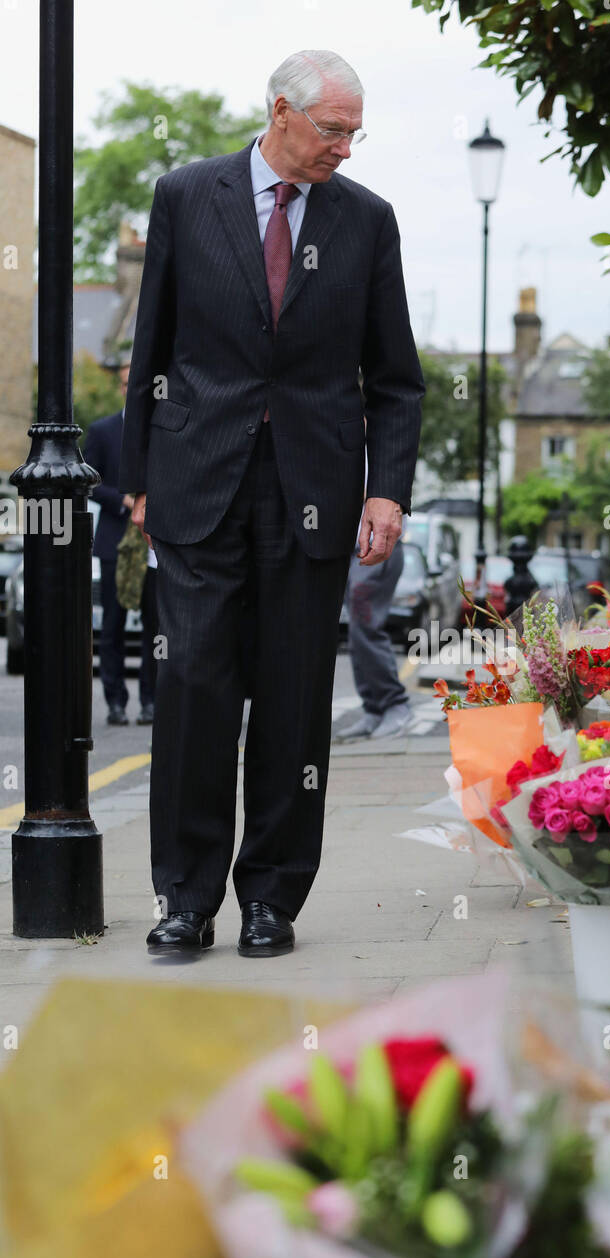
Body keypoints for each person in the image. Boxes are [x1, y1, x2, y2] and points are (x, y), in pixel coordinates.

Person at [119, 49, 424, 959]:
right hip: (198, 479)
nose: (343, 148)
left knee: (294, 700)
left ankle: (272, 899)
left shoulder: (367, 222)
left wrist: (386, 492)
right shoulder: (186, 195)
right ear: (280, 112)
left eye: (352, 134)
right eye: (332, 130)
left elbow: (396, 379)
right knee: (194, 686)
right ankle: (184, 896)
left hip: (316, 490)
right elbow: (153, 343)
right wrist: (136, 473)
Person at [84, 361, 159, 726]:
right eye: (128, 382)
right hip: (115, 542)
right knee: (111, 626)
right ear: (121, 387)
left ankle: (151, 701)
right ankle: (115, 702)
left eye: (138, 381)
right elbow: (89, 481)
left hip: (155, 545)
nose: (132, 388)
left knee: (154, 627)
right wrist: (125, 500)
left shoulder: (161, 429)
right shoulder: (102, 431)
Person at [338, 526, 413, 741]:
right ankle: (374, 710)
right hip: (356, 548)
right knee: (357, 633)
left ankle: (396, 706)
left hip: (377, 542)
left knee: (367, 630)